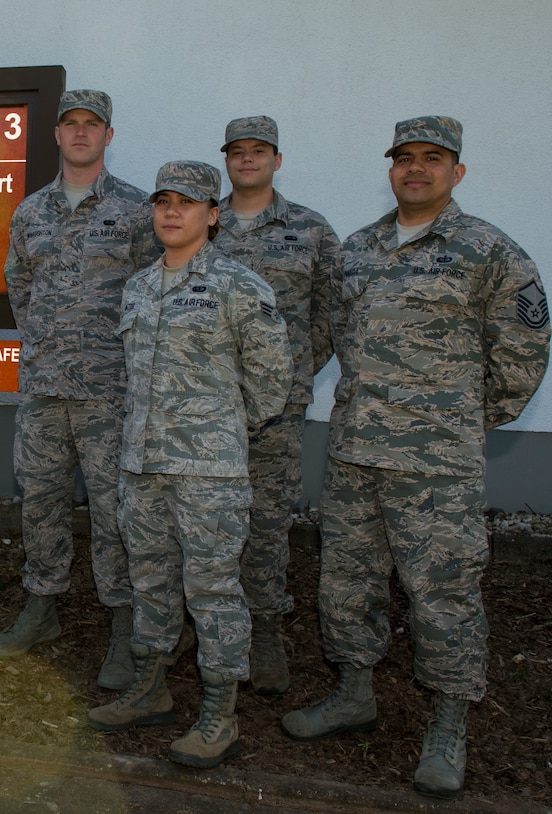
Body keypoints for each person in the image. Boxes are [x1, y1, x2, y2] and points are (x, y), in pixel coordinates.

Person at [281, 116, 549, 799]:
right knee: (346, 583)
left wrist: (457, 422)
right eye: (405, 157)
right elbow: (340, 332)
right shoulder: (358, 249)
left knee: (443, 593)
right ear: (391, 169)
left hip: (437, 466)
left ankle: (449, 722)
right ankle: (354, 693)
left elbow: (523, 354)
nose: (416, 168)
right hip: (354, 456)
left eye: (432, 158)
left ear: (457, 171)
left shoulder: (488, 250)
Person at [86, 161, 291, 769]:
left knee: (213, 590)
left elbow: (271, 381)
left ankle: (220, 715)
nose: (171, 211)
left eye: (187, 201)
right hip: (143, 468)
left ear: (213, 214)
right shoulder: (138, 287)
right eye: (163, 201)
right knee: (149, 581)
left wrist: (219, 432)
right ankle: (150, 689)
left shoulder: (239, 285)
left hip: (209, 474)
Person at [0, 89, 157, 690]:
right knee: (40, 499)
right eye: (71, 124)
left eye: (93, 124)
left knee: (115, 510)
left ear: (108, 135)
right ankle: (42, 606)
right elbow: (19, 288)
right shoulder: (30, 212)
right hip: (44, 387)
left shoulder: (137, 210)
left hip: (110, 391)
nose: (81, 133)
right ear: (57, 135)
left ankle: (124, 622)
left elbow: (153, 292)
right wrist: (48, 346)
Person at [210, 116, 339, 695]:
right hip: (205, 403)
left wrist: (291, 373)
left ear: (276, 160)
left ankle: (264, 630)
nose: (247, 159)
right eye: (237, 151)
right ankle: (203, 623)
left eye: (258, 150)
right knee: (203, 518)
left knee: (266, 519)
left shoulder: (310, 230)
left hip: (277, 410)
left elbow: (330, 313)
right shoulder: (201, 220)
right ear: (226, 160)